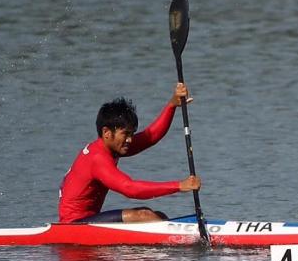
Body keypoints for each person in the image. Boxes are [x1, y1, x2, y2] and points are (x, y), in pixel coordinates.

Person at [58, 83, 201, 223]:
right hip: (74, 224)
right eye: (125, 134)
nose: (130, 140)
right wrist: (179, 186)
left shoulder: (113, 146)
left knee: (158, 216)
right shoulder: (98, 157)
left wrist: (172, 105)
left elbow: (151, 137)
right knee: (145, 216)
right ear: (106, 132)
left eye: (132, 134)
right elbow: (130, 188)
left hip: (89, 220)